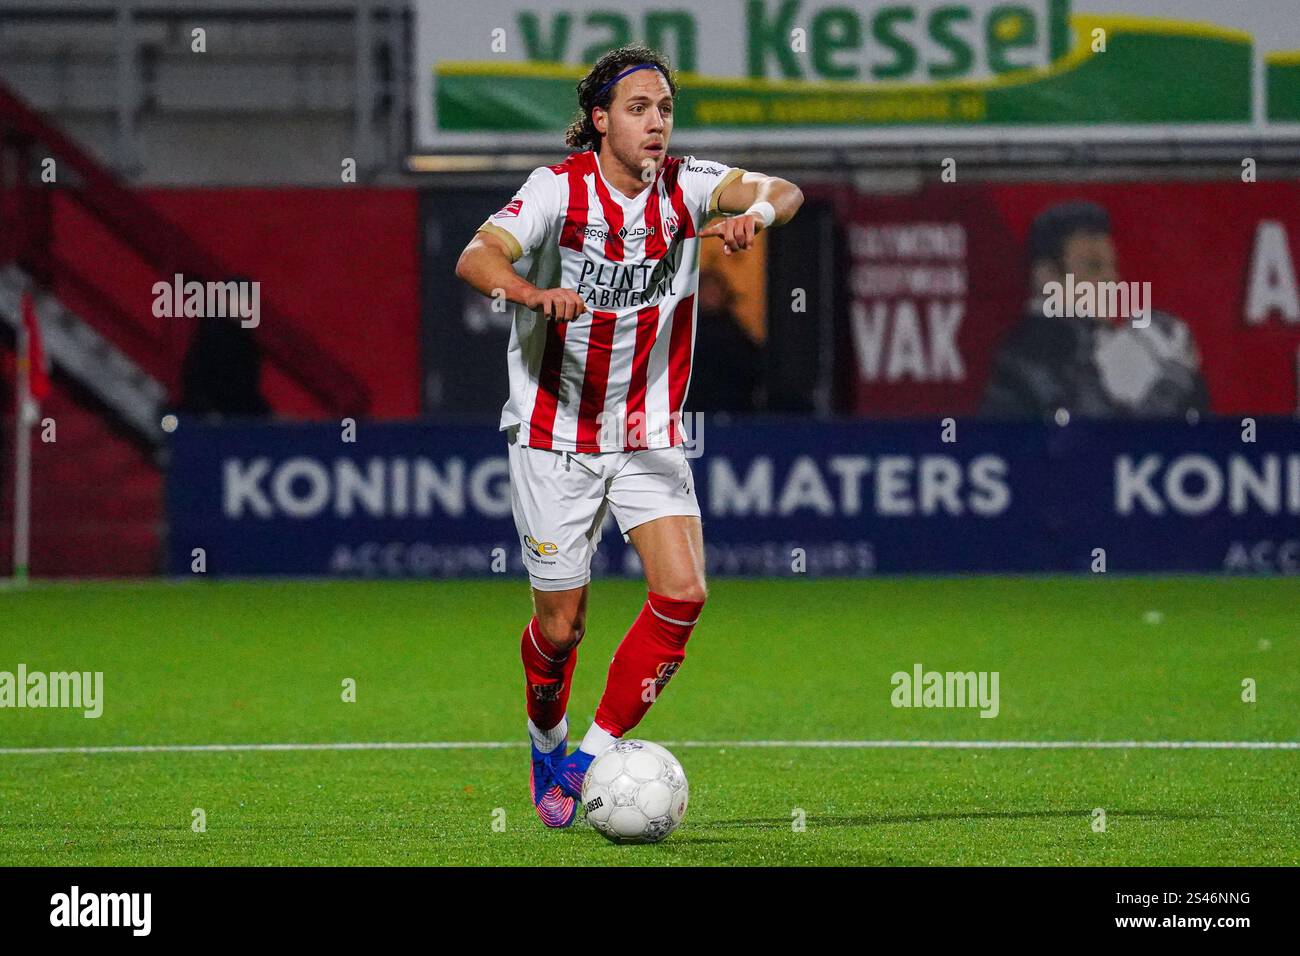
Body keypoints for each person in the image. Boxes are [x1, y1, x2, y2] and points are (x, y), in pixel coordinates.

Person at [454, 44, 803, 827]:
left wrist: (755, 215)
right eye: (639, 109)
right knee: (560, 626)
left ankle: (589, 757)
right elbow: (477, 255)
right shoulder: (557, 192)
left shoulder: (689, 188)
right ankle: (547, 737)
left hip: (648, 430)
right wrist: (528, 290)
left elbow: (786, 188)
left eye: (666, 110)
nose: (656, 124)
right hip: (554, 437)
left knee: (683, 592)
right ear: (600, 120)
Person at [981, 201, 1209, 418]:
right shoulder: (1030, 357)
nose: (1111, 280)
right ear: (1046, 276)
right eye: (1094, 267)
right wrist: (1174, 380)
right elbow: (1095, 444)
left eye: (1113, 268)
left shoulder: (1114, 343)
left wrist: (1186, 377)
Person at [687, 269, 763, 413]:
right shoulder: (687, 328)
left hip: (733, 406)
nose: (711, 295)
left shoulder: (733, 329)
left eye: (715, 291)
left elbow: (750, 363)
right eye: (706, 290)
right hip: (696, 409)